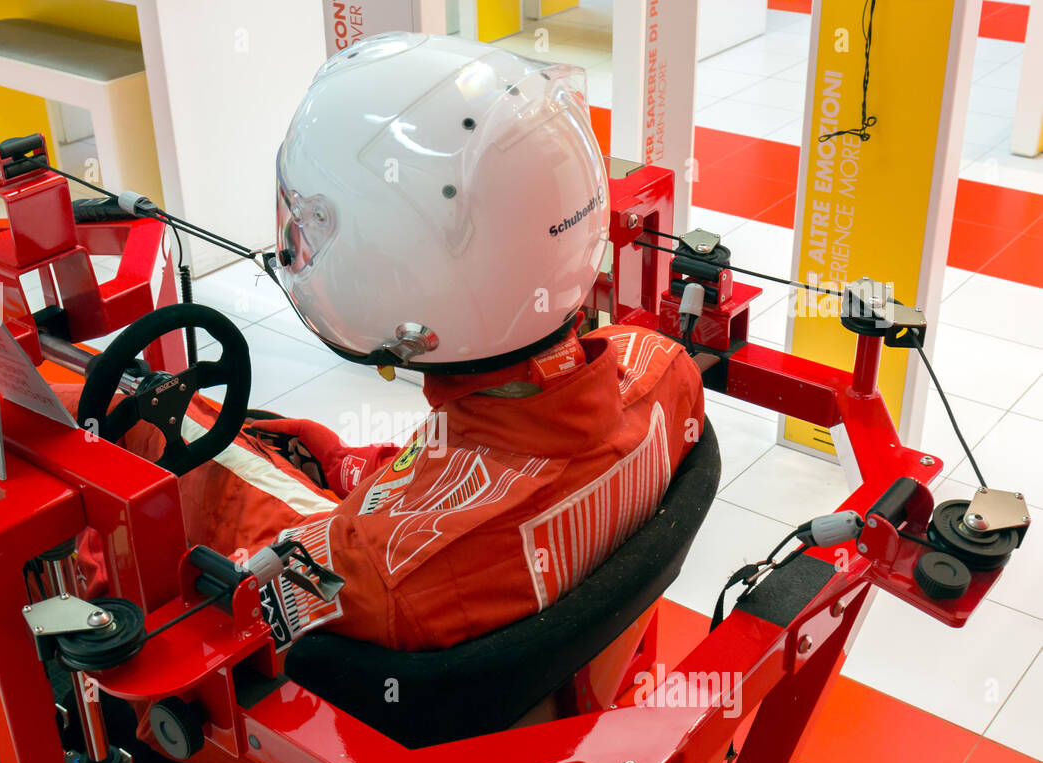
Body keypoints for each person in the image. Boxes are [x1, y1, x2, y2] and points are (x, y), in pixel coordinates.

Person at [61, 32, 703, 653]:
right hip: (521, 642)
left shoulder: (377, 570)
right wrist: (338, 460)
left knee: (131, 435)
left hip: (336, 707)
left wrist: (102, 540)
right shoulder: (665, 370)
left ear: (397, 269)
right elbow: (457, 471)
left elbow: (226, 614)